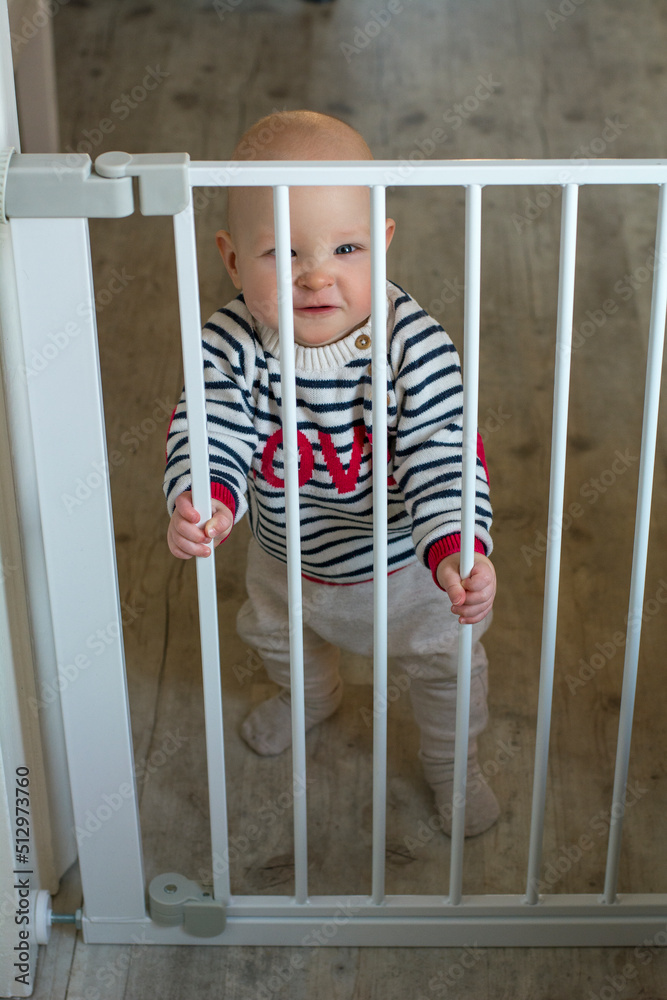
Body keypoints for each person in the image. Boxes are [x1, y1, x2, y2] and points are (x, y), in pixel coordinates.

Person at [165, 110, 499, 837]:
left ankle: (452, 765)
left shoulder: (412, 345)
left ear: (380, 243)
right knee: (278, 636)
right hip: (288, 559)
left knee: (447, 665)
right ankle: (311, 697)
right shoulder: (230, 343)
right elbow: (211, 421)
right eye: (281, 253)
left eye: (345, 247)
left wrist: (453, 543)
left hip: (407, 569)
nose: (316, 274)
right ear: (230, 260)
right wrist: (206, 495)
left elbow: (443, 449)